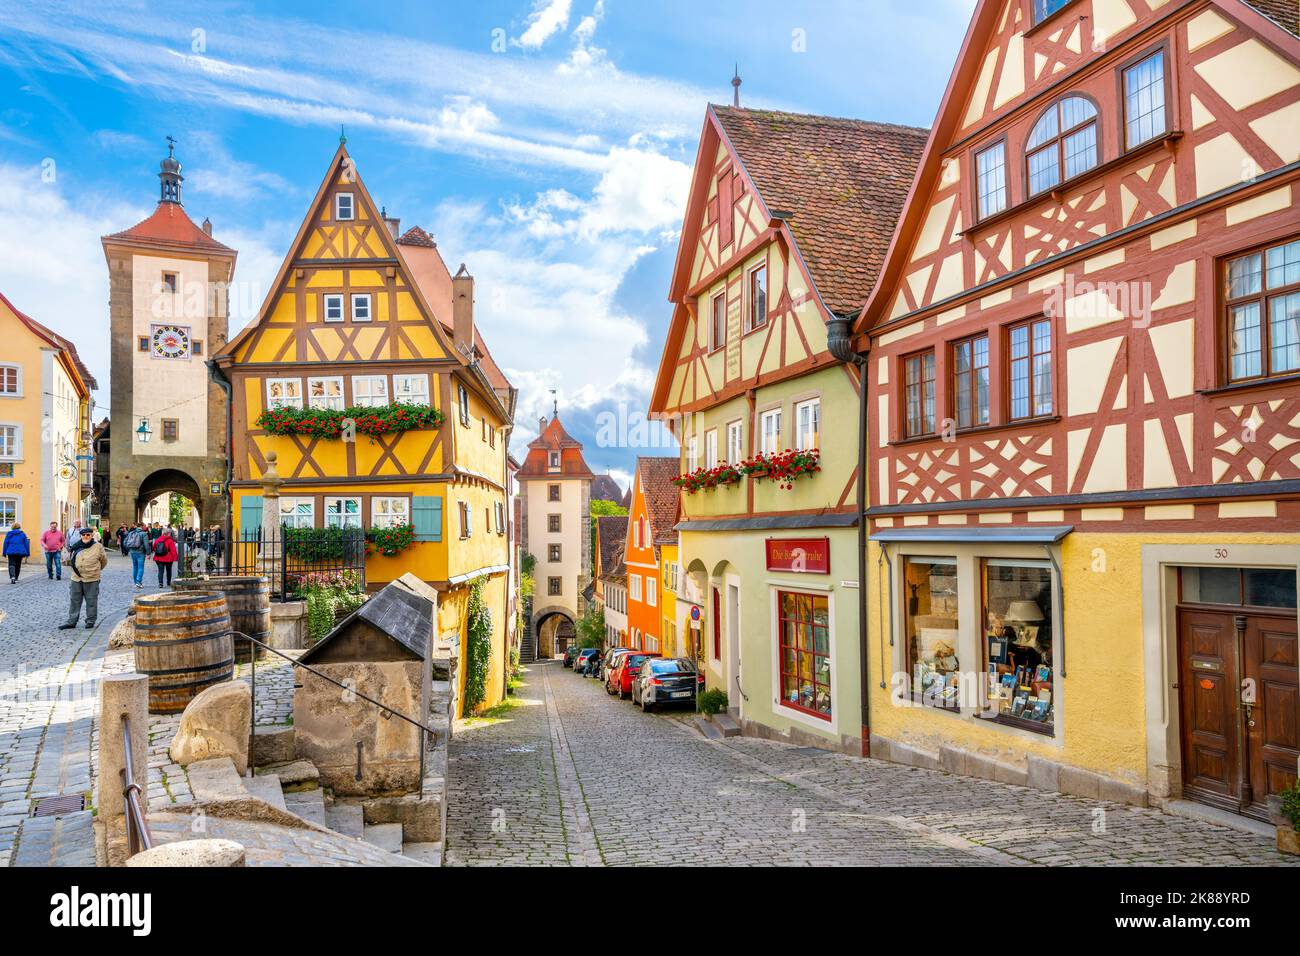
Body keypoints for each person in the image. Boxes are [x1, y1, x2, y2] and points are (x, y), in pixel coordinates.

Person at [59, 526, 107, 629]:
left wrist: (94, 570)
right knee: (74, 600)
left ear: (91, 535)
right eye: (83, 535)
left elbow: (103, 561)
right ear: (81, 536)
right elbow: (71, 559)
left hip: (91, 578)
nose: (86, 536)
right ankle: (72, 621)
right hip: (76, 578)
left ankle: (90, 621)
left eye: (88, 535)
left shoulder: (98, 546)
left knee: (91, 600)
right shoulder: (76, 546)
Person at [123, 522, 149, 589]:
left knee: (135, 567)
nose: (145, 527)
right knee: (140, 567)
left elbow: (125, 542)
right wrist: (148, 553)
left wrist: (129, 549)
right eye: (145, 526)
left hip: (132, 552)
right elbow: (146, 544)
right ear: (141, 526)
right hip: (140, 552)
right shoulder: (144, 533)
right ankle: (138, 582)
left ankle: (135, 582)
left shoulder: (131, 533)